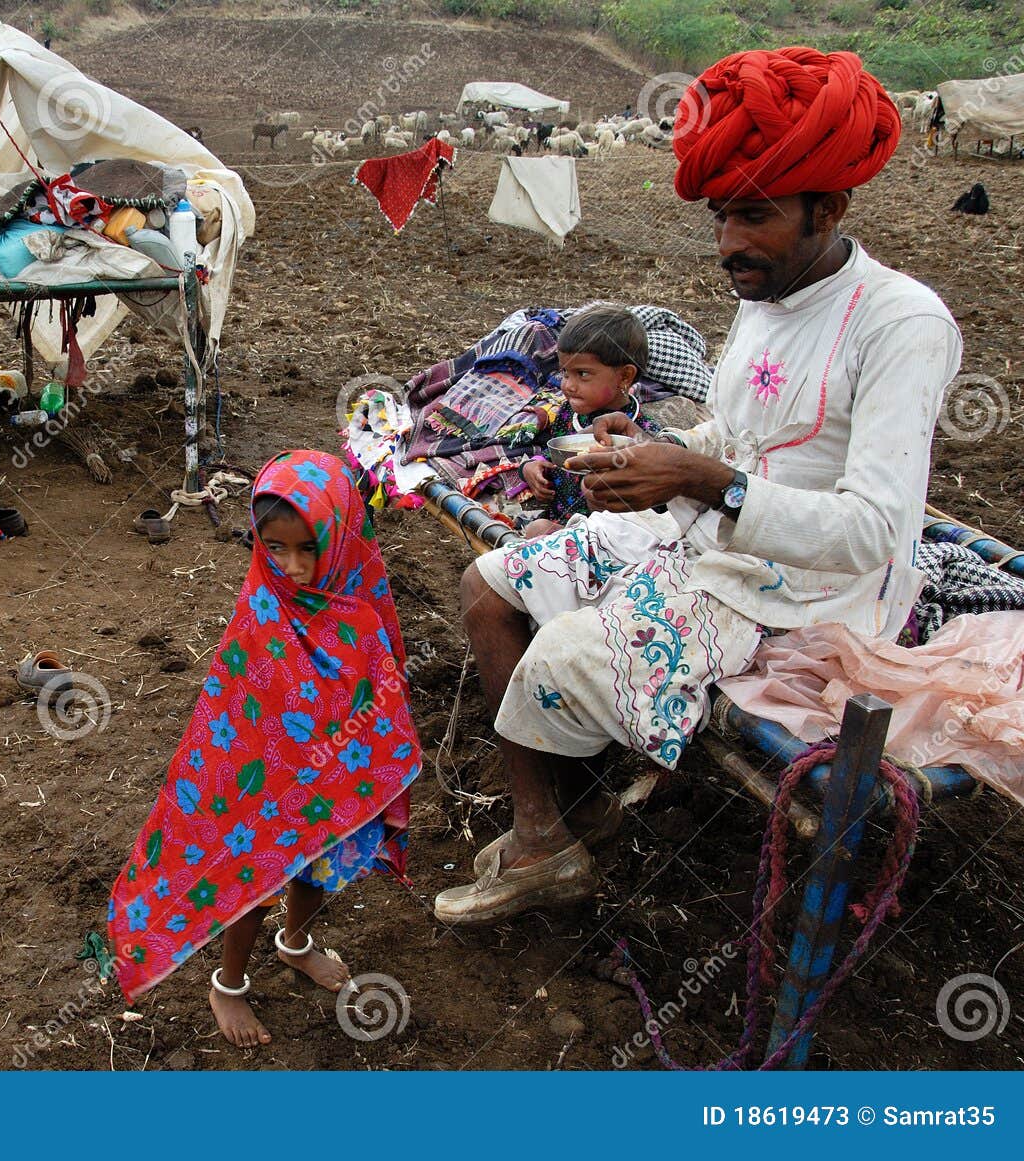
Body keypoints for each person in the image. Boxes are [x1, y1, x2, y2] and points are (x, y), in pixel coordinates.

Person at [435, 47, 962, 927]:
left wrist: (704, 480)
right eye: (722, 217)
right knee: (489, 585)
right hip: (710, 531)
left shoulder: (902, 324)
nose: (728, 245)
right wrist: (660, 447)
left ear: (828, 208)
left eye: (753, 216)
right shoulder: (768, 293)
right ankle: (563, 824)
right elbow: (737, 430)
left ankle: (545, 840)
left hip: (808, 590)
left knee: (562, 652)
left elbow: (872, 529)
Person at [108, 450, 422, 1047]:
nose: (294, 567)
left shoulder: (360, 610)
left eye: (309, 548)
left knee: (318, 861)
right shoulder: (263, 606)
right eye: (275, 548)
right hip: (259, 783)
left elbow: (380, 693)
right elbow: (236, 706)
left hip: (331, 773)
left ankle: (296, 944)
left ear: (343, 539)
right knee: (251, 876)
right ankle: (228, 984)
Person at [504, 304, 662, 537]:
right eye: (565, 373)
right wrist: (532, 466)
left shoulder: (641, 432)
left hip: (610, 535)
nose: (568, 385)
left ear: (625, 376)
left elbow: (657, 495)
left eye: (583, 374)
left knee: (538, 531)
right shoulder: (568, 413)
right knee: (533, 525)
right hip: (561, 519)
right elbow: (554, 453)